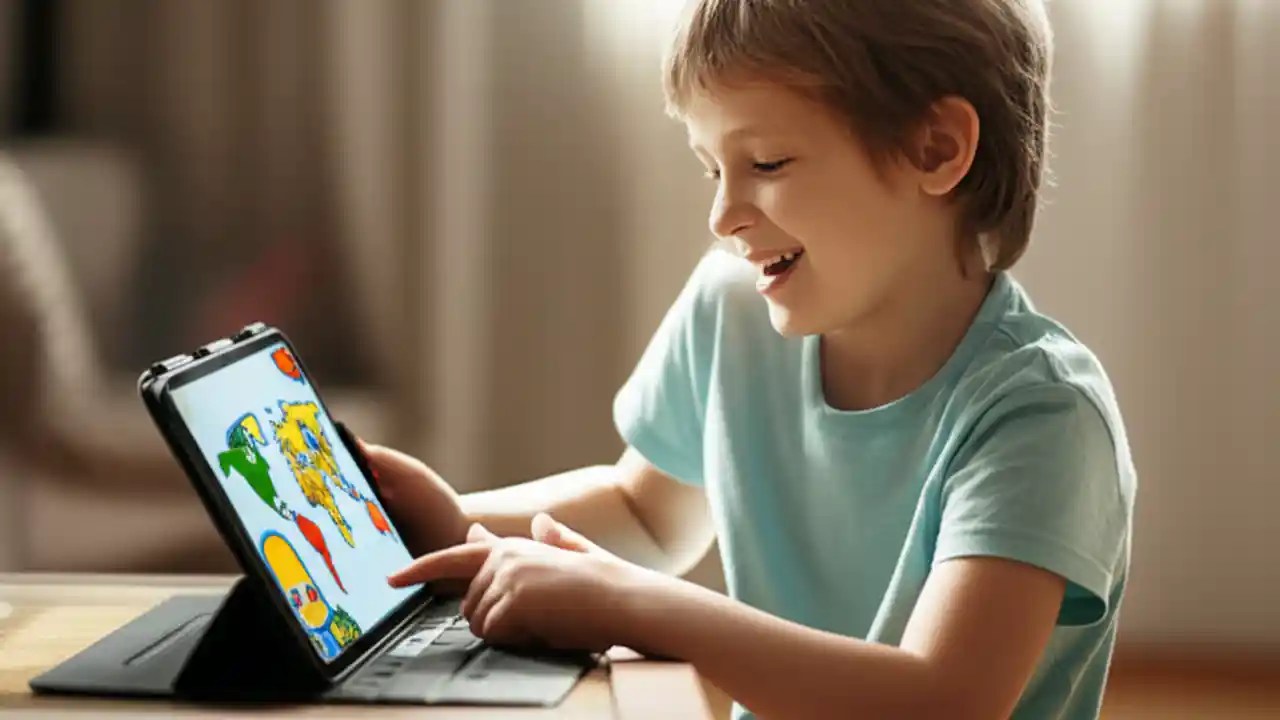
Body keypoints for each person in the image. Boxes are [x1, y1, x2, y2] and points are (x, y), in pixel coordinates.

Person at [363, 1, 1136, 717]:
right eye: (712, 168)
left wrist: (628, 603)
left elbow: (941, 701)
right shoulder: (730, 312)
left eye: (766, 163)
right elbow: (646, 512)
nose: (723, 216)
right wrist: (456, 523)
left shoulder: (1041, 414)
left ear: (935, 149)